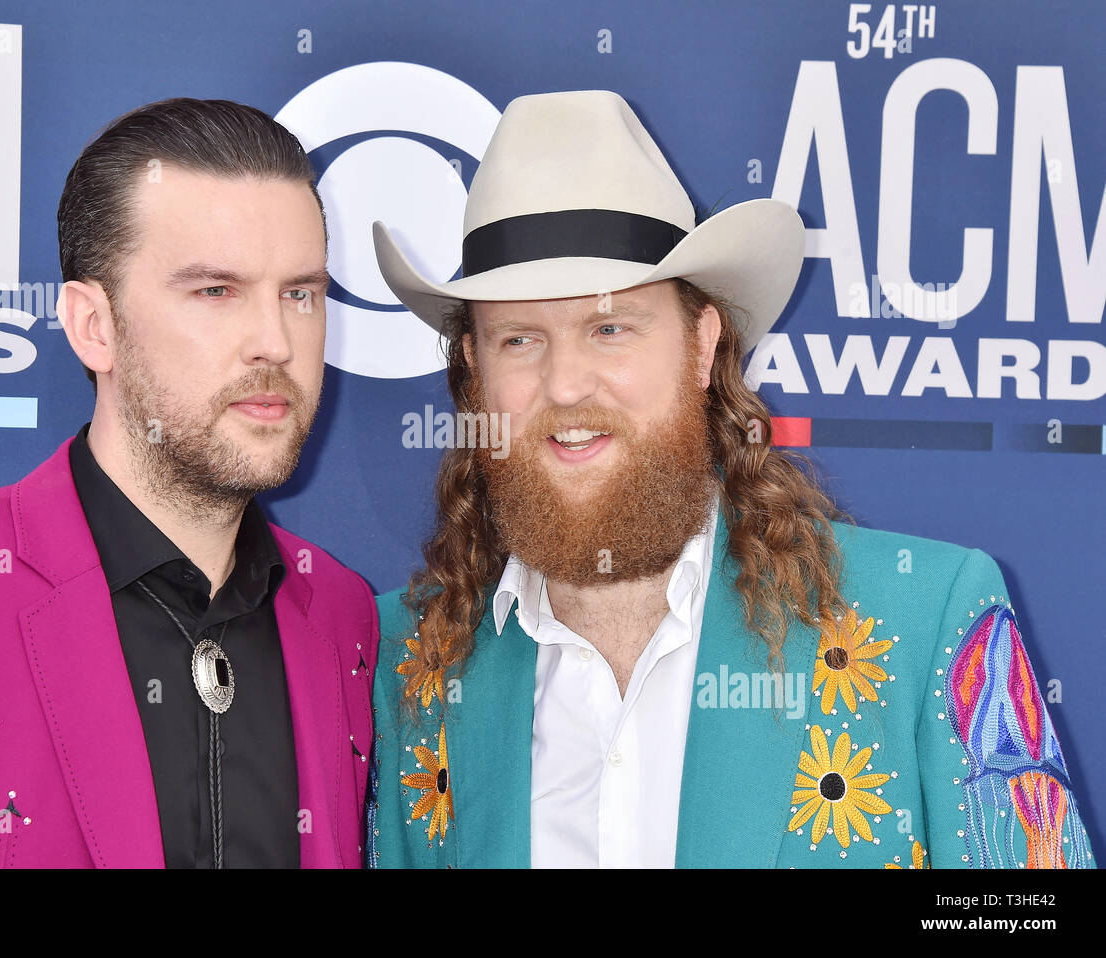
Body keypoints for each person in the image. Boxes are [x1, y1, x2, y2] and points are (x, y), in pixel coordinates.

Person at [365, 90, 1093, 868]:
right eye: (519, 340)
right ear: (476, 372)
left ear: (702, 344)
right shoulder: (407, 661)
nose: (567, 383)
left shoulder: (927, 617)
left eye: (609, 328)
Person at [0, 98, 378, 868]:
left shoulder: (341, 613)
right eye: (216, 291)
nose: (274, 341)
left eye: (300, 293)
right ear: (92, 326)